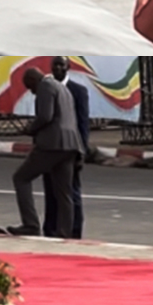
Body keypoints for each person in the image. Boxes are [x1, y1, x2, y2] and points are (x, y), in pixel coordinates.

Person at [10, 67, 82, 239]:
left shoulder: (45, 87)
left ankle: (31, 225)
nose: (32, 92)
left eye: (30, 88)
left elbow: (45, 116)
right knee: (64, 192)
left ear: (34, 80)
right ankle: (65, 232)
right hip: (71, 144)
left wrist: (30, 129)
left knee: (21, 178)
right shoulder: (62, 87)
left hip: (52, 144)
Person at [43, 57, 91, 240]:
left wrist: (82, 152)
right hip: (50, 150)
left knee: (72, 192)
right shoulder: (45, 89)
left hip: (70, 150)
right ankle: (50, 229)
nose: (57, 68)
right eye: (54, 64)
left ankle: (75, 230)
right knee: (51, 191)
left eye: (61, 64)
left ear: (68, 67)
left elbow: (83, 123)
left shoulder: (78, 91)